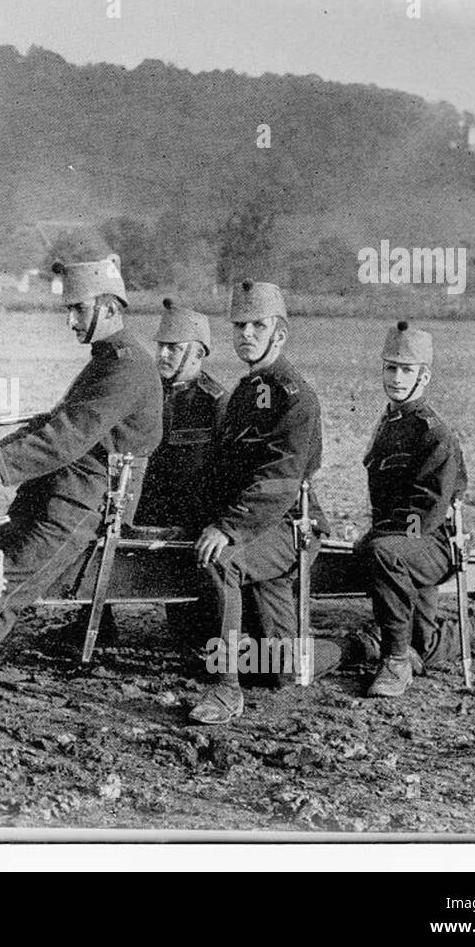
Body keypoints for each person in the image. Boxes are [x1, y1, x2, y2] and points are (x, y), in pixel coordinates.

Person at [0, 254, 163, 668]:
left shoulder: (128, 368)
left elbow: (69, 435)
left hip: (86, 505)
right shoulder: (108, 360)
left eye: (79, 309)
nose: (72, 321)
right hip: (60, 494)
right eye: (70, 310)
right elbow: (53, 420)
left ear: (110, 308)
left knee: (4, 586)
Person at [357, 321, 475, 698]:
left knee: (378, 551)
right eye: (390, 368)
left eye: (406, 370)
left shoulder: (434, 433)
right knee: (426, 645)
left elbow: (425, 512)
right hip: (406, 545)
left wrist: (387, 540)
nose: (396, 377)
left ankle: (394, 662)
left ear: (423, 377)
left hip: (432, 542)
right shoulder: (388, 423)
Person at [188, 280, 338, 725]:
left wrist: (228, 529)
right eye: (239, 326)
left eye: (258, 325)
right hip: (259, 527)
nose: (246, 334)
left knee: (222, 560)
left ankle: (225, 689)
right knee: (280, 668)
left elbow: (278, 482)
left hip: (290, 526)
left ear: (280, 333)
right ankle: (359, 646)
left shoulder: (296, 397)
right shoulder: (246, 392)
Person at [122, 300, 226, 653]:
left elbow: (224, 479)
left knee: (190, 639)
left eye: (174, 349)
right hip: (146, 515)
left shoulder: (216, 404)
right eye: (160, 347)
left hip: (190, 525)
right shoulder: (148, 391)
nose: (163, 355)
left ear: (198, 354)